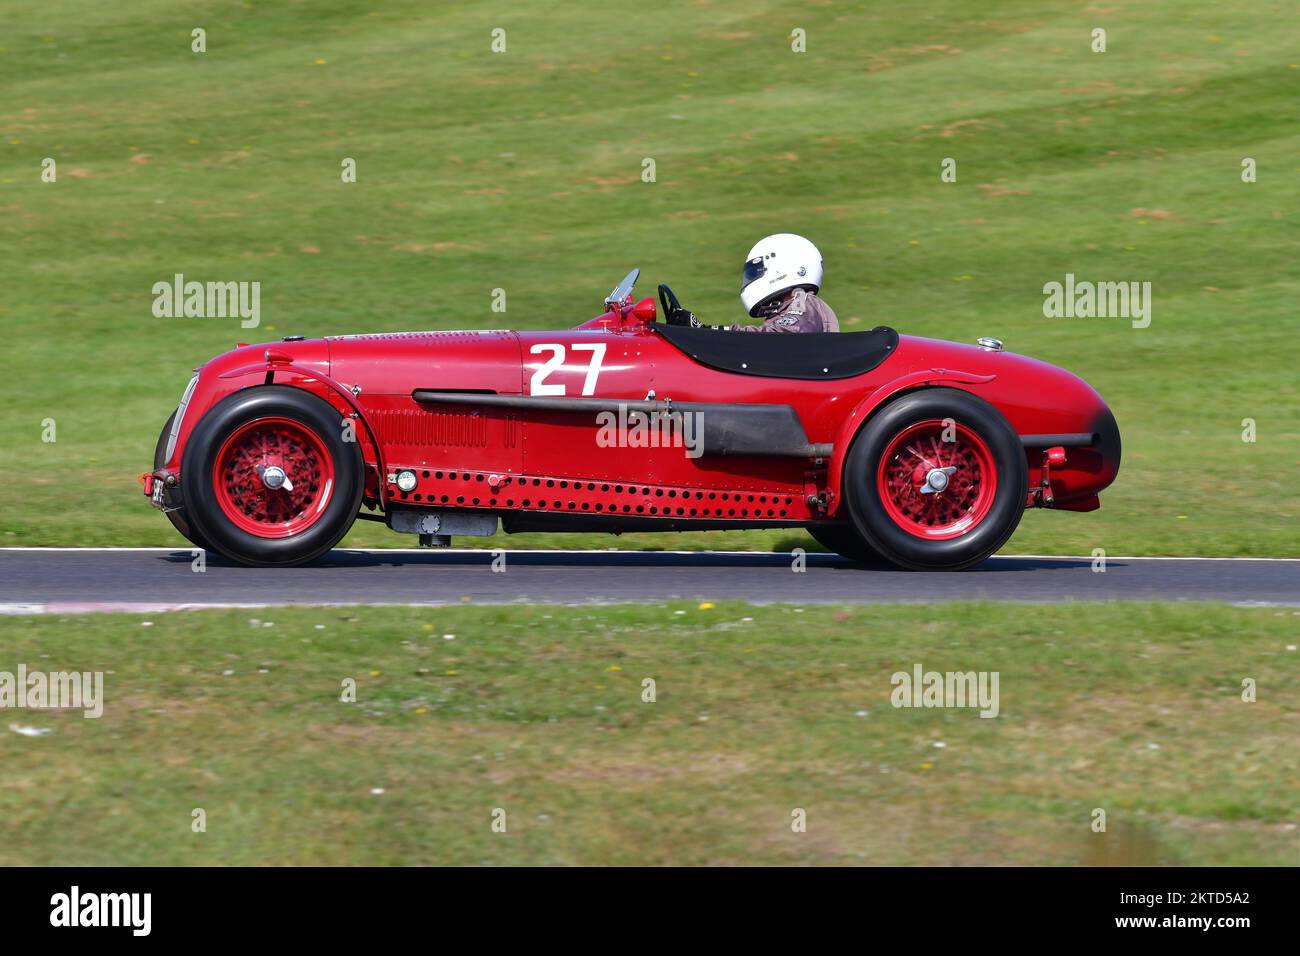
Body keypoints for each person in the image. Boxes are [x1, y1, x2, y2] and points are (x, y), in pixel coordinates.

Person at [665, 233, 839, 333]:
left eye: (756, 271)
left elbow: (770, 341)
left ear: (783, 266)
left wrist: (706, 331)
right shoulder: (790, 309)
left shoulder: (804, 304)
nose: (752, 278)